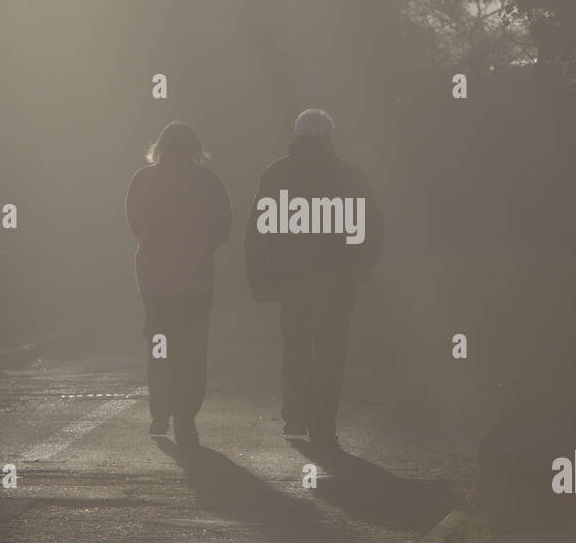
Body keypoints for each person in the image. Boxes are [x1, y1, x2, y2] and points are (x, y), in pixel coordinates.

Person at [244, 109, 383, 453]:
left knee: (295, 348)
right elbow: (369, 228)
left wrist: (259, 277)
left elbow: (259, 229)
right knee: (330, 352)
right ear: (328, 137)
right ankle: (324, 426)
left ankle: (295, 416)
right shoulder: (349, 175)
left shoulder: (276, 174)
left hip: (292, 280)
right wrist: (360, 268)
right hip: (337, 281)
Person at [126, 122, 232, 447]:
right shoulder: (208, 181)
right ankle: (186, 419)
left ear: (160, 147)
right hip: (196, 281)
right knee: (192, 348)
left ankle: (160, 413)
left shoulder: (142, 179)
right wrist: (201, 250)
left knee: (158, 344)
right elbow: (223, 225)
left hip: (154, 280)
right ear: (195, 150)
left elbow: (135, 222)